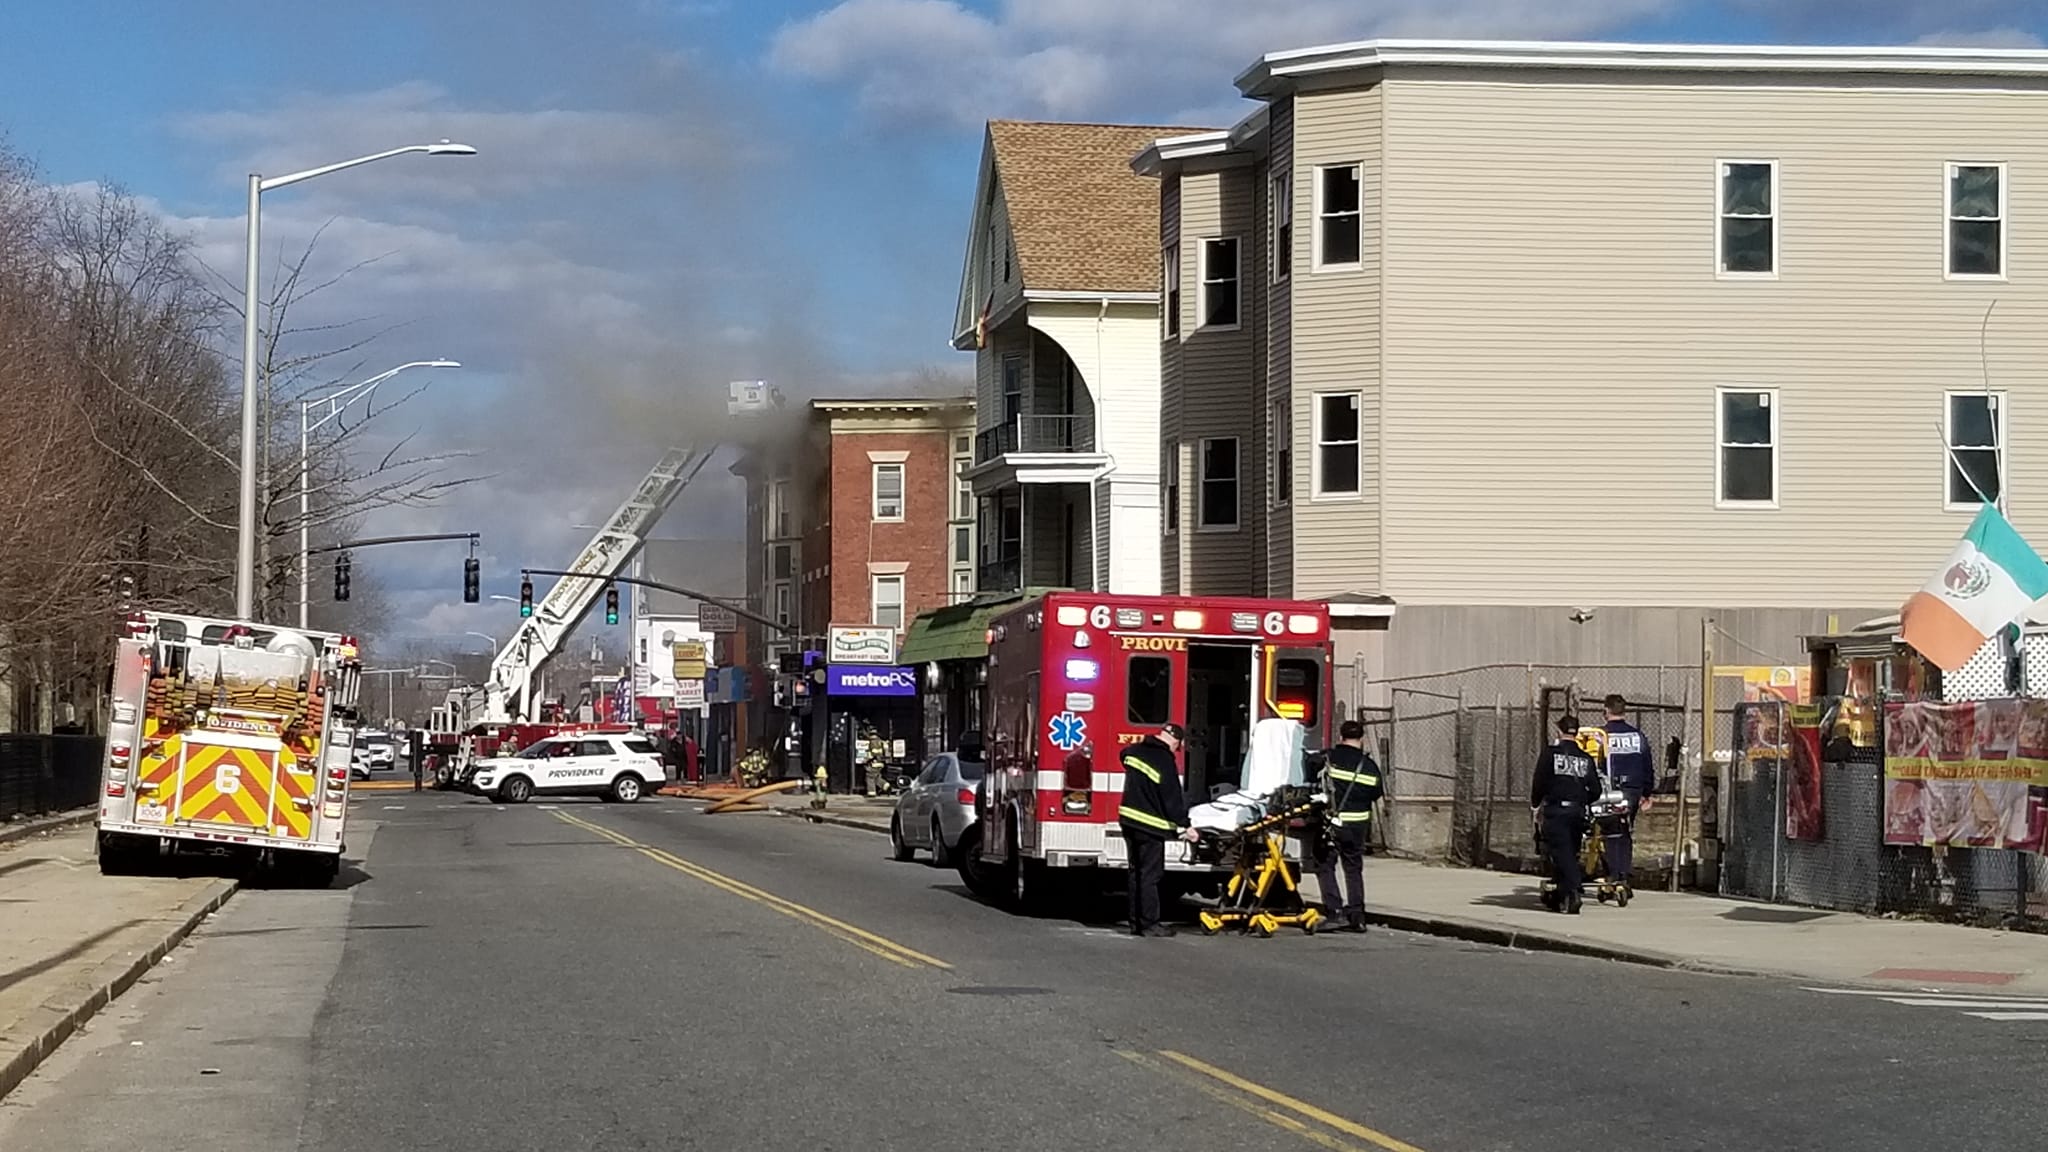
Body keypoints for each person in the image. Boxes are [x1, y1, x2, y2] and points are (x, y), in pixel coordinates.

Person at [1119, 722, 1198, 938]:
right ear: (1175, 741)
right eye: (1177, 746)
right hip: (1149, 827)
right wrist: (1185, 825)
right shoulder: (1165, 761)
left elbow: (1123, 754)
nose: (1176, 750)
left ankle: (1136, 922)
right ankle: (1150, 924)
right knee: (1150, 876)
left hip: (1129, 822)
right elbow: (1172, 799)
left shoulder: (1134, 752)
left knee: (1135, 873)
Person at [1313, 720, 1382, 933]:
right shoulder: (1369, 766)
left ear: (1341, 737)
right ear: (1361, 739)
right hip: (1358, 827)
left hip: (1332, 824)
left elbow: (1312, 778)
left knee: (1324, 865)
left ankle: (1334, 912)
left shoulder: (1328, 758)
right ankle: (1357, 916)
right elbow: (1376, 794)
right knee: (1353, 870)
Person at [1532, 715, 1598, 914]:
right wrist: (1582, 799)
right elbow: (1596, 790)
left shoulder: (1550, 754)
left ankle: (1573, 889)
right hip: (1577, 811)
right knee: (1571, 851)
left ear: (1559, 732)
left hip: (1556, 810)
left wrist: (1536, 804)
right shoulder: (1585, 758)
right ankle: (1562, 893)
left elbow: (1539, 782)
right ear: (1576, 733)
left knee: (1561, 853)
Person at [1600, 694, 1655, 893]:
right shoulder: (1637, 736)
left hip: (1609, 790)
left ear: (1606, 711)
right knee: (1625, 830)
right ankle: (1624, 874)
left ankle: (1615, 876)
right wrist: (1647, 793)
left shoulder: (1601, 736)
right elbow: (1647, 766)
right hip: (1632, 791)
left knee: (1610, 831)